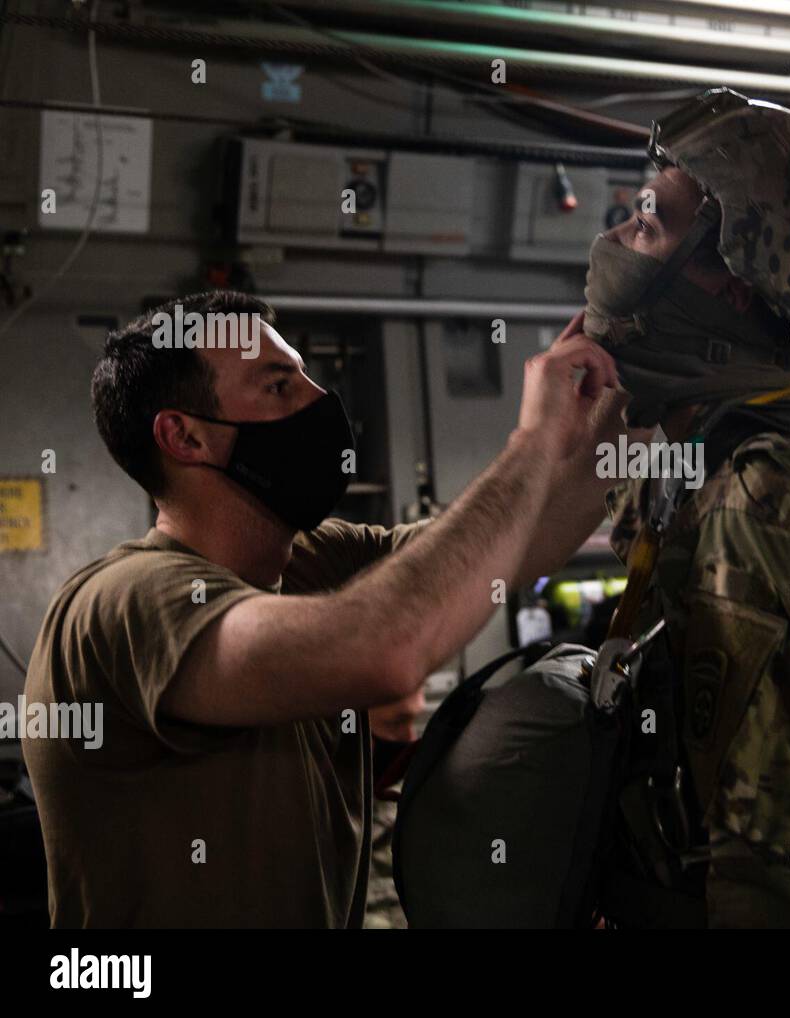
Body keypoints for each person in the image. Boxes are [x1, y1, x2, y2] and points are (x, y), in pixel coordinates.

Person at [23, 290, 622, 927]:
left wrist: (628, 407)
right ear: (185, 435)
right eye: (279, 387)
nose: (319, 399)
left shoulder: (307, 560)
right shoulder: (124, 601)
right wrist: (532, 442)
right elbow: (384, 649)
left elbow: (510, 545)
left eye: (306, 374)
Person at [578, 89, 790, 927]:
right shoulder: (703, 463)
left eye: (650, 225)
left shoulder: (772, 504)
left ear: (732, 288)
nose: (618, 244)